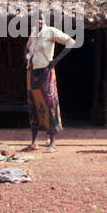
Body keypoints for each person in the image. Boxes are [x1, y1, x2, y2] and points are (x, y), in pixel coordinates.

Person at [23, 11, 79, 152]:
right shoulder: (34, 34)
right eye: (36, 20)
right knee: (33, 105)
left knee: (50, 104)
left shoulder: (51, 32)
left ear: (45, 20)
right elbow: (26, 48)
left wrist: (56, 60)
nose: (39, 22)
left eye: (41, 20)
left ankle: (52, 143)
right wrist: (26, 57)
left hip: (45, 72)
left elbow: (70, 42)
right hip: (32, 72)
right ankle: (34, 142)